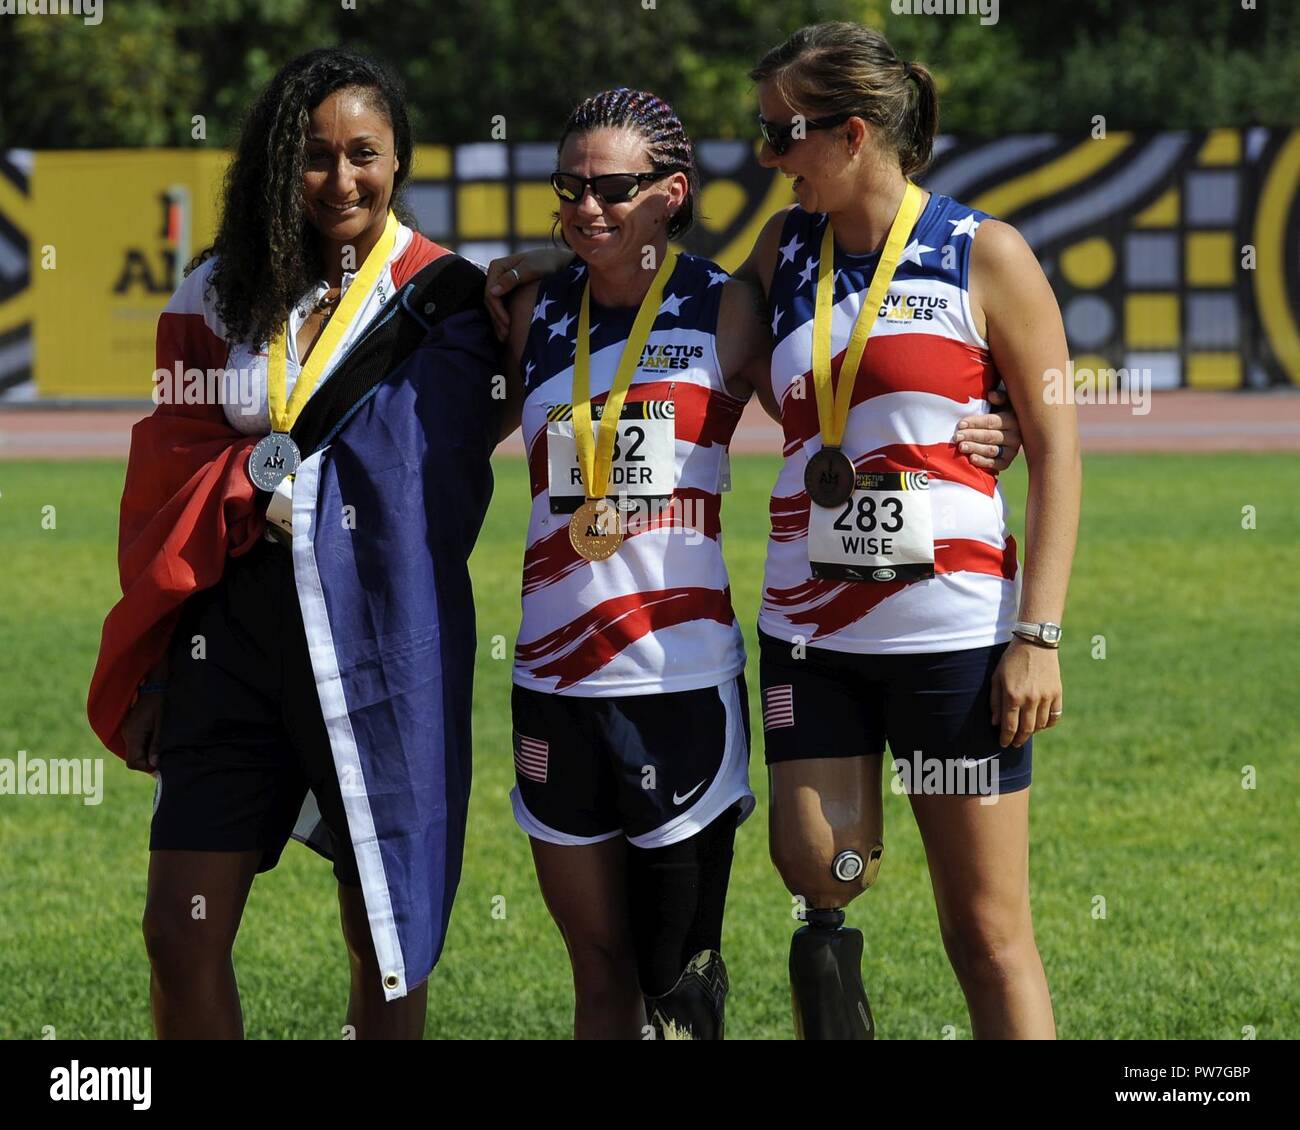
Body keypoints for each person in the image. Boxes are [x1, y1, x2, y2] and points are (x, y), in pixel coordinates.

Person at [487, 85, 1024, 1039]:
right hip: (550, 680)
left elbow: (857, 371)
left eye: (611, 187)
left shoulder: (731, 303)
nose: (586, 206)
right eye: (568, 187)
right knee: (597, 967)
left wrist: (1004, 415)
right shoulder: (528, 311)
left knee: (677, 978)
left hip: (682, 678)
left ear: (672, 192)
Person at [87, 48, 501, 1039]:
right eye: (314, 157)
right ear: (281, 165)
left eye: (365, 153)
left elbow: (437, 476)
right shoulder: (213, 294)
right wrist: (154, 665)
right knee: (177, 932)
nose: (341, 178)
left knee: (383, 933)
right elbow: (166, 470)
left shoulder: (451, 299)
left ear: (399, 159)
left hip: (378, 642)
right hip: (228, 644)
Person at [738, 22, 1080, 1039]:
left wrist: (1038, 634)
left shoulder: (987, 253)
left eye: (780, 134)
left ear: (849, 135)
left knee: (984, 928)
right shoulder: (781, 247)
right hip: (810, 633)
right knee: (820, 870)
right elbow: (681, 324)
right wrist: (549, 271)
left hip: (952, 640)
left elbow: (1059, 447)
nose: (764, 157)